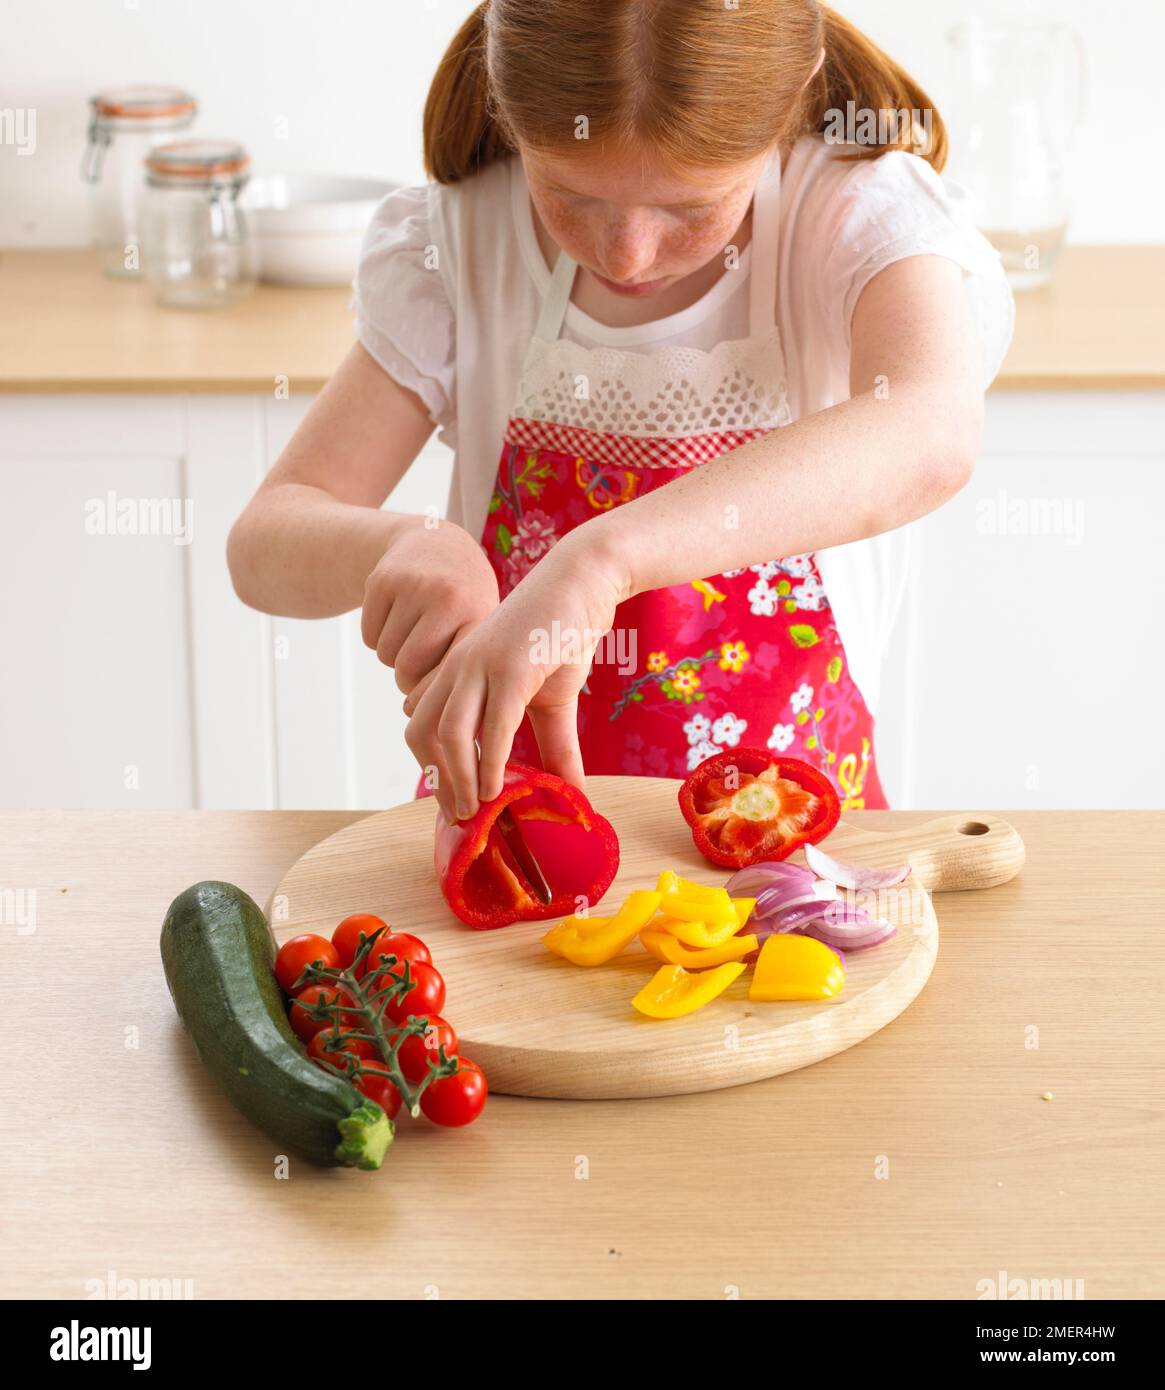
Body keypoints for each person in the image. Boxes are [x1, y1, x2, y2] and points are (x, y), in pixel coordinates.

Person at [228, 0, 1013, 825]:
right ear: (506, 106)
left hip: (781, 836)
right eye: (569, 195)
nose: (624, 252)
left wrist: (602, 559)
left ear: (787, 101)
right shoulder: (458, 242)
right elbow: (264, 542)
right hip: (513, 835)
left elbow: (928, 428)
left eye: (687, 208)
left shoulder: (855, 213)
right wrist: (401, 544)